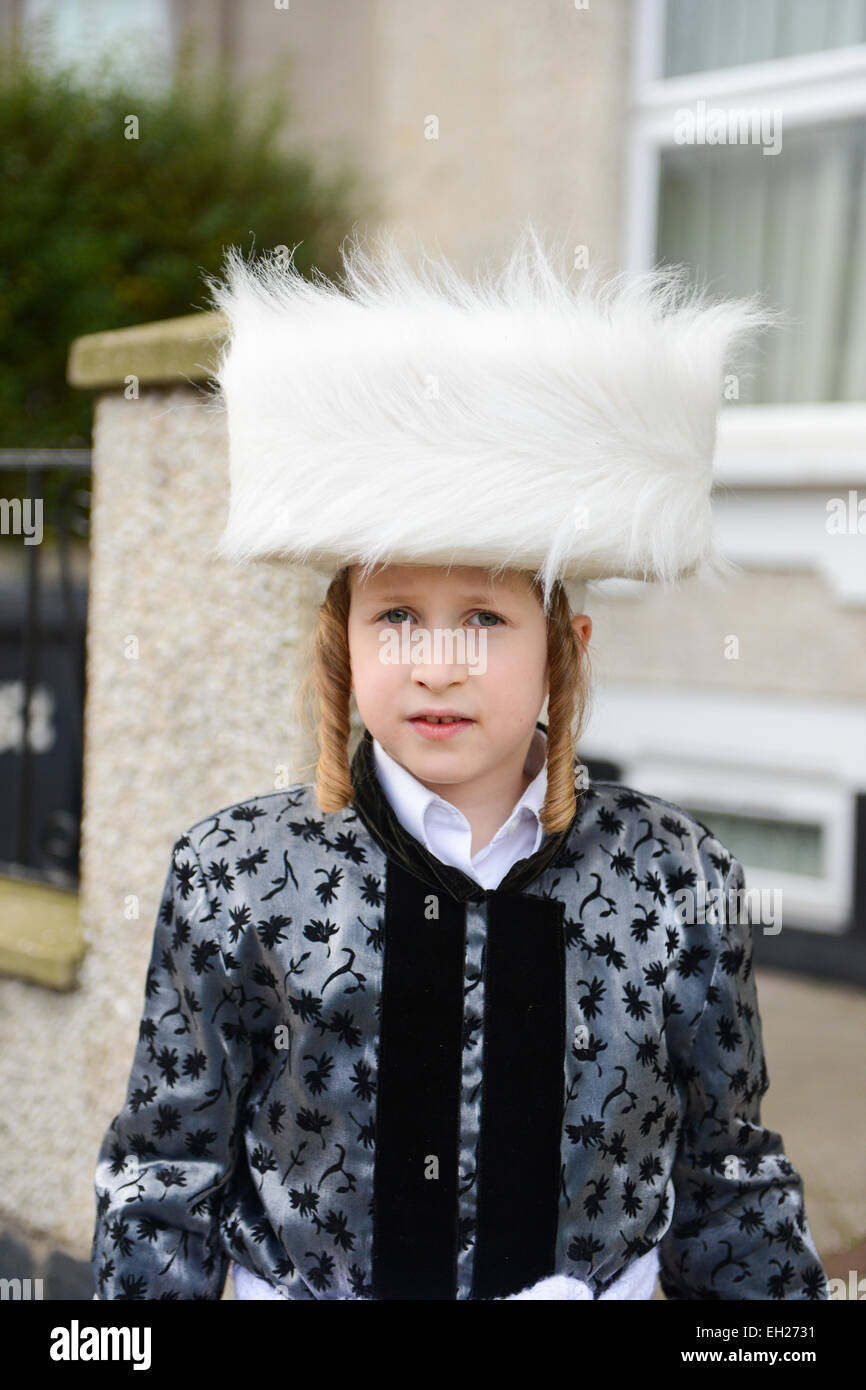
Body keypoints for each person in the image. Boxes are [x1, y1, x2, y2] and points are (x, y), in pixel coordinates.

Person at [91, 225, 828, 1300]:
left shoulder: (673, 875)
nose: (436, 663)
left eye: (481, 617)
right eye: (397, 615)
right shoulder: (233, 872)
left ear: (560, 654)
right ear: (342, 639)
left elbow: (729, 1177)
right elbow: (165, 1171)